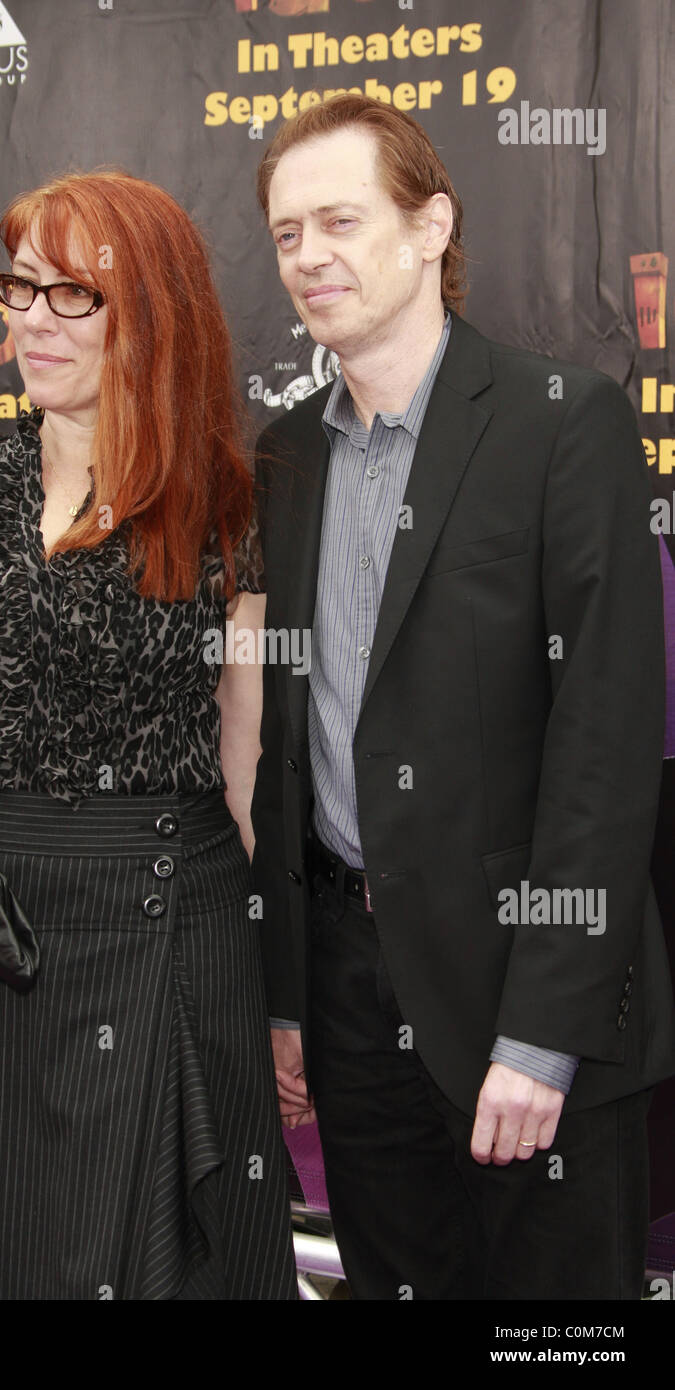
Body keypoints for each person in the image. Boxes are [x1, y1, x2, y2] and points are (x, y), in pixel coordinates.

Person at [0, 169, 297, 1300]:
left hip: (166, 939)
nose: (29, 318)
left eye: (71, 294)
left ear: (152, 311)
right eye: (18, 287)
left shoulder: (227, 514)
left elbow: (248, 782)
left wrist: (276, 991)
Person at [249, 93, 675, 1300]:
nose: (309, 256)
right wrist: (288, 997)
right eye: (286, 233)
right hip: (345, 993)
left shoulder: (563, 424)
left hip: (524, 995)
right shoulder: (282, 459)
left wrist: (543, 1038)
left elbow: (603, 750)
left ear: (431, 225)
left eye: (339, 219)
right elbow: (285, 751)